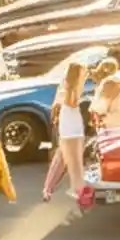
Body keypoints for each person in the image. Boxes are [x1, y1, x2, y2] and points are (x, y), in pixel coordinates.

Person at [46, 61, 88, 201]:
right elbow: (72, 103)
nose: (85, 76)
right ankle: (80, 193)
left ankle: (48, 189)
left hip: (69, 125)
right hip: (72, 128)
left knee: (61, 158)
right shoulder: (71, 89)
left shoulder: (65, 87)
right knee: (75, 162)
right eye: (82, 74)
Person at [91, 59, 120, 136]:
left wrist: (96, 118)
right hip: (118, 124)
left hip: (113, 126)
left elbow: (102, 106)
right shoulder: (111, 82)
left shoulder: (109, 82)